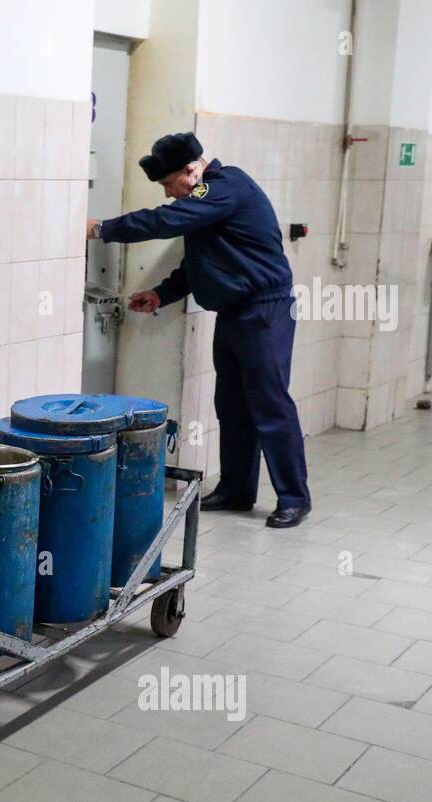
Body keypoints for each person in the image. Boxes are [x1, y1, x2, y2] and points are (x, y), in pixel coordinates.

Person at [87, 132, 311, 528]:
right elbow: (201, 263)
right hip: (234, 313)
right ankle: (237, 489)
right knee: (232, 405)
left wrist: (103, 229)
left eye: (170, 185)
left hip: (264, 311)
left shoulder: (226, 187)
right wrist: (161, 293)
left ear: (192, 171)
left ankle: (294, 498)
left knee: (270, 406)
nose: (171, 195)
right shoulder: (206, 202)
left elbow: (166, 220)